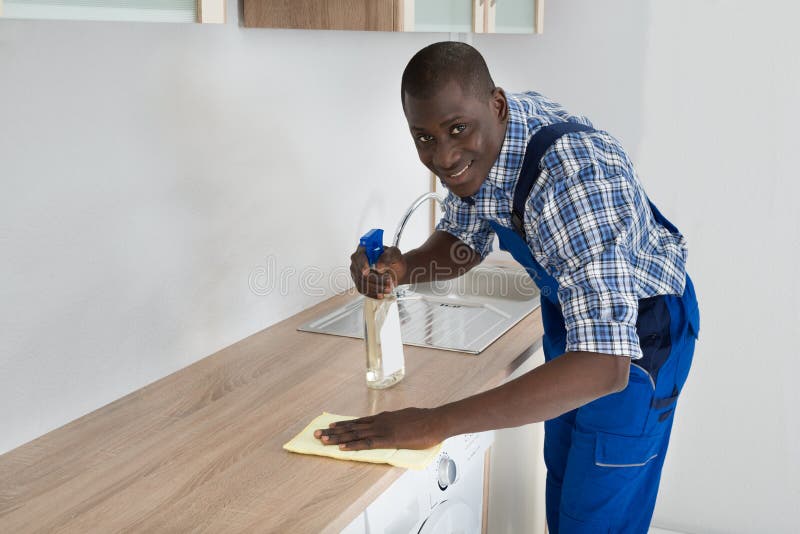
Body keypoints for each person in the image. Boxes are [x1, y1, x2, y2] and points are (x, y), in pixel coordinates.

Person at [314, 41, 700, 533]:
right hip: (573, 323)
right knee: (565, 496)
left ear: (495, 105)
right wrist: (404, 267)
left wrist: (437, 422)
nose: (445, 156)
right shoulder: (489, 144)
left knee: (597, 520)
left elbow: (604, 367)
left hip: (639, 345)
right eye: (424, 138)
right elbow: (464, 241)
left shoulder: (572, 178)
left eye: (457, 130)